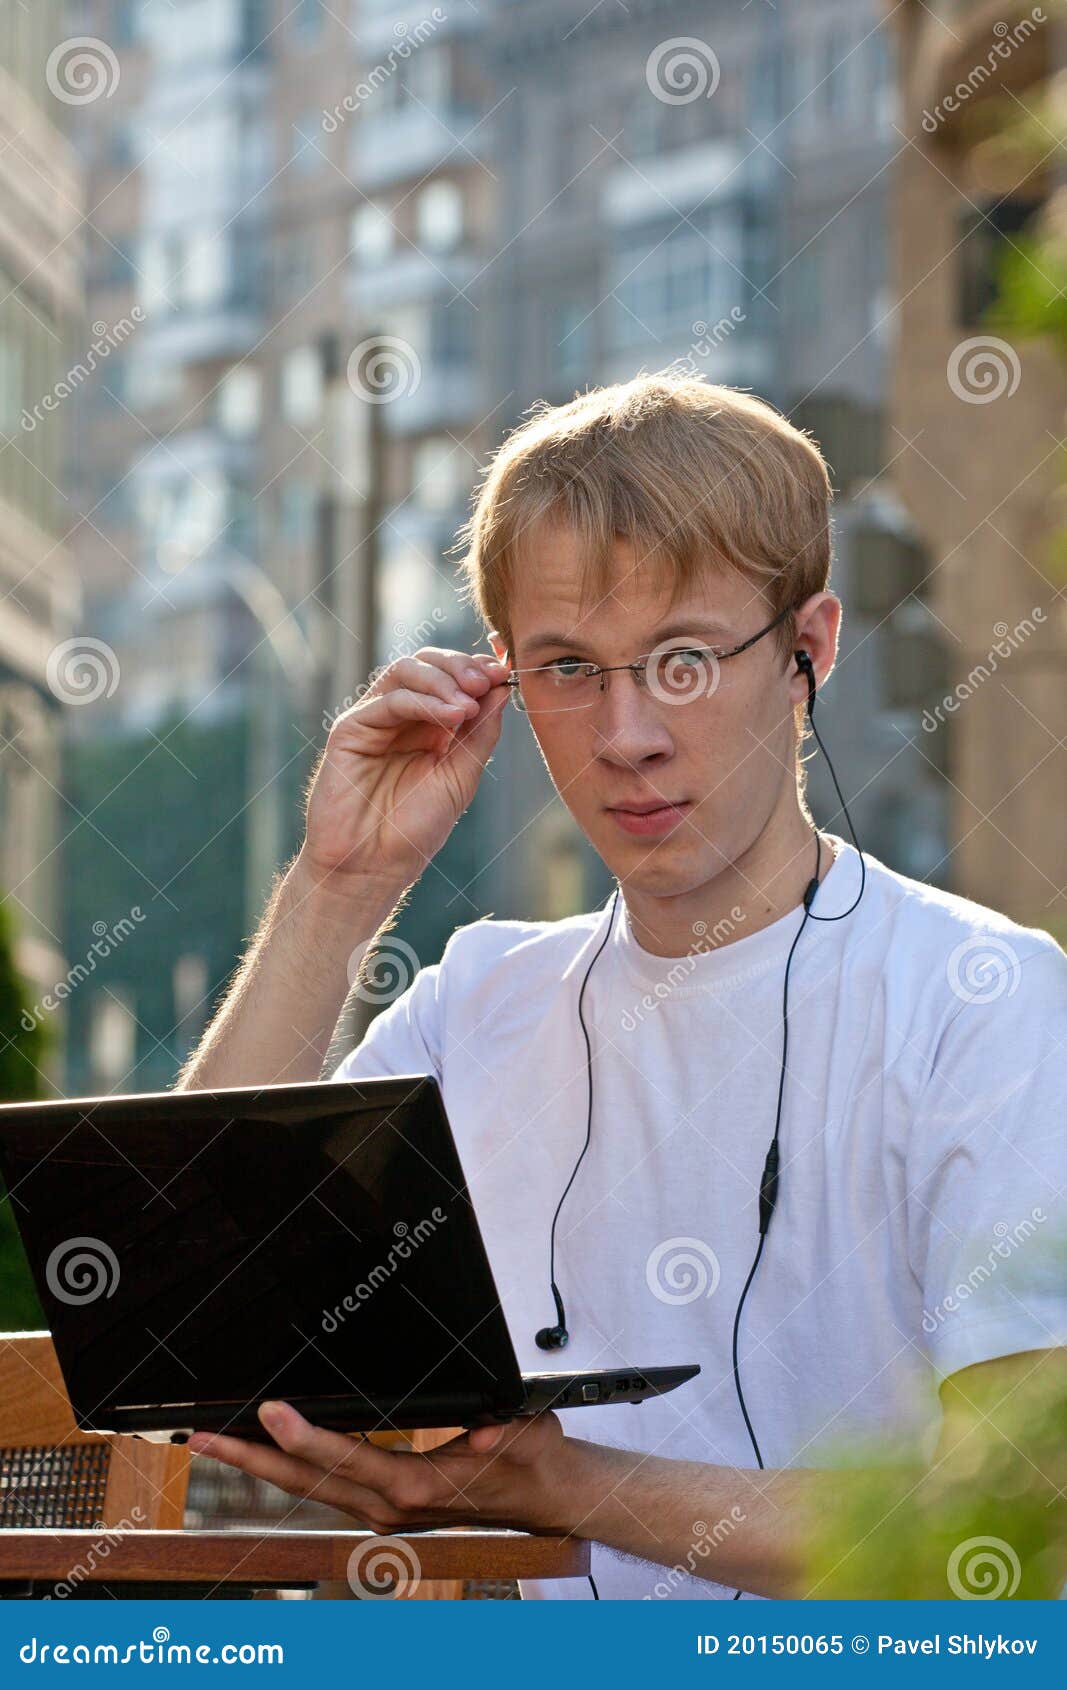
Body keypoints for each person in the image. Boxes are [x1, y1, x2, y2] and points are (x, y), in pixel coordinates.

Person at [179, 373, 1067, 1600]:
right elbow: (195, 1280)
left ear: (808, 648)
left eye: (684, 659)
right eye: (567, 669)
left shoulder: (980, 998)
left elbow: (1014, 1513)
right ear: (499, 681)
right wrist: (340, 882)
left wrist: (557, 1483)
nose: (627, 733)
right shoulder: (473, 996)